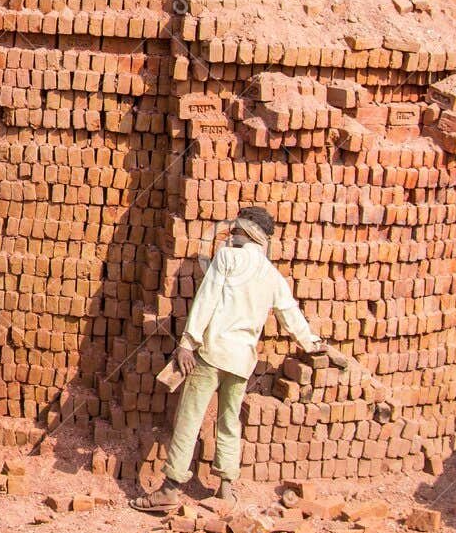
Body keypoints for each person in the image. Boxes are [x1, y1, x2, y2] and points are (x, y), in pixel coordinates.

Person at [134, 207, 327, 511]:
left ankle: (170, 489)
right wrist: (313, 344)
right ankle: (226, 488)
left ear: (246, 233)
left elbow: (206, 298)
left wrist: (187, 342)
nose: (231, 235)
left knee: (189, 418)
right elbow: (290, 315)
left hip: (212, 354)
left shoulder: (227, 258)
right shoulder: (271, 275)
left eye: (235, 230)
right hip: (241, 362)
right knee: (229, 422)